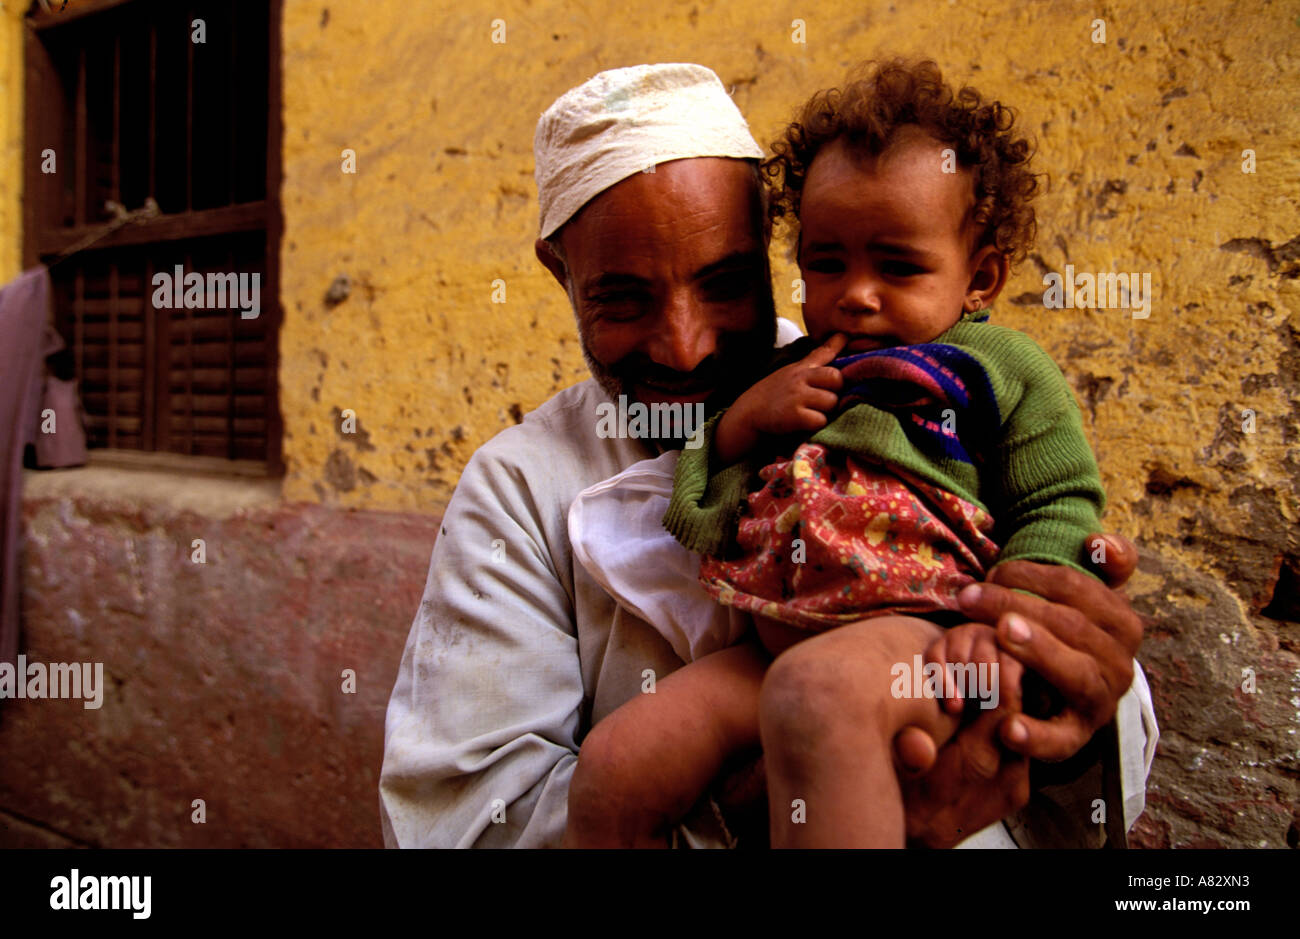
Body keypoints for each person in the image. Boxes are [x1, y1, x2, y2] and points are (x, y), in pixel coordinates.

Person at [379, 62, 1157, 849]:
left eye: (726, 283)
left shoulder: (936, 377)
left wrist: (1052, 661)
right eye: (624, 297)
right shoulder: (519, 488)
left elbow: (1062, 579)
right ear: (560, 270)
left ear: (766, 248)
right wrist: (789, 794)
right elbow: (472, 825)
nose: (685, 350)